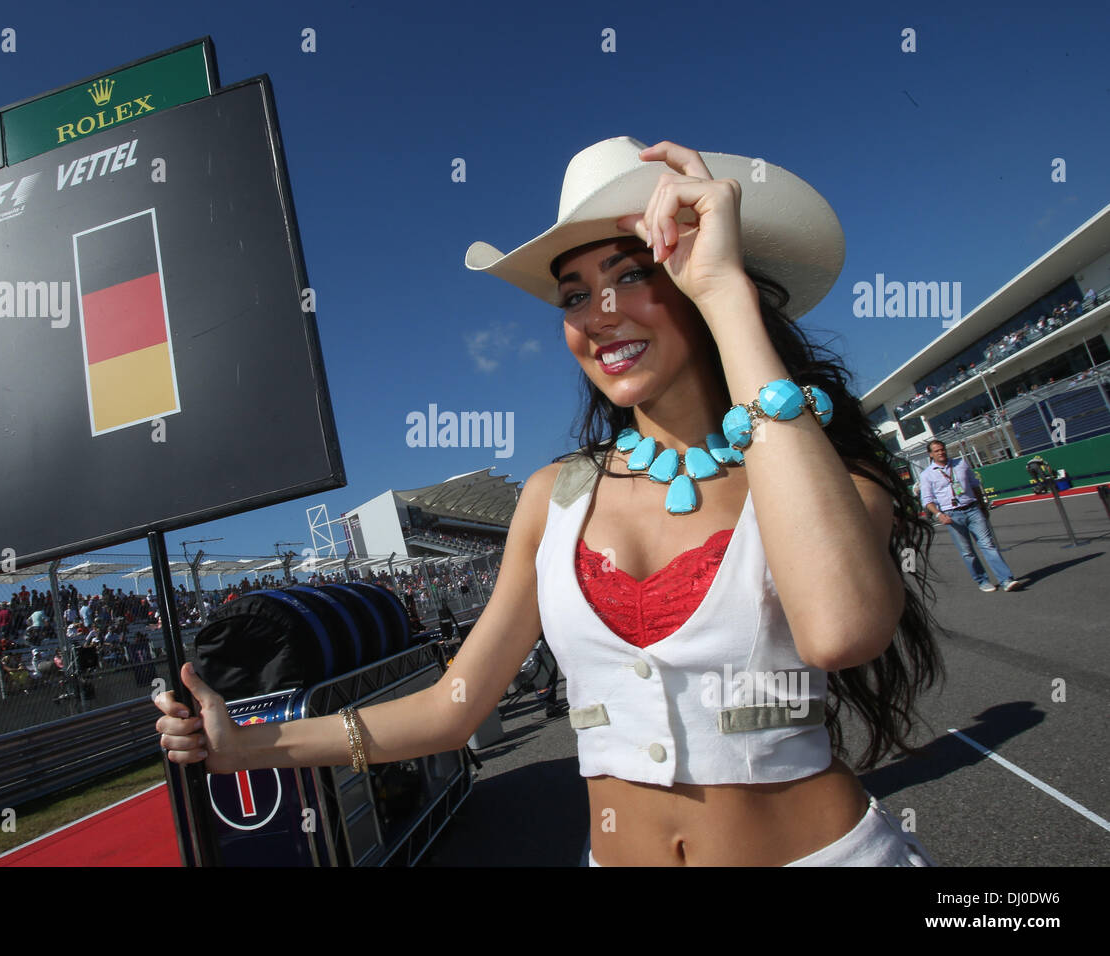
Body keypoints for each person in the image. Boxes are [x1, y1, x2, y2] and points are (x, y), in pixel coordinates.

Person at [155, 136, 942, 866]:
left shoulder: (824, 478)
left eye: (633, 273)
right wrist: (245, 746)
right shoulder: (553, 496)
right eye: (574, 294)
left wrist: (726, 294)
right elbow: (450, 710)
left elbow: (841, 630)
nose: (599, 314)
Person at [920, 440, 1020, 592]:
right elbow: (927, 500)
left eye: (942, 449)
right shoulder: (926, 474)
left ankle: (1006, 579)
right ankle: (982, 580)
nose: (941, 453)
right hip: (951, 515)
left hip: (973, 509)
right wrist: (939, 514)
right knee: (967, 552)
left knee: (988, 545)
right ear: (931, 454)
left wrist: (982, 505)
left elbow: (974, 485)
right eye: (937, 451)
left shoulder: (961, 464)